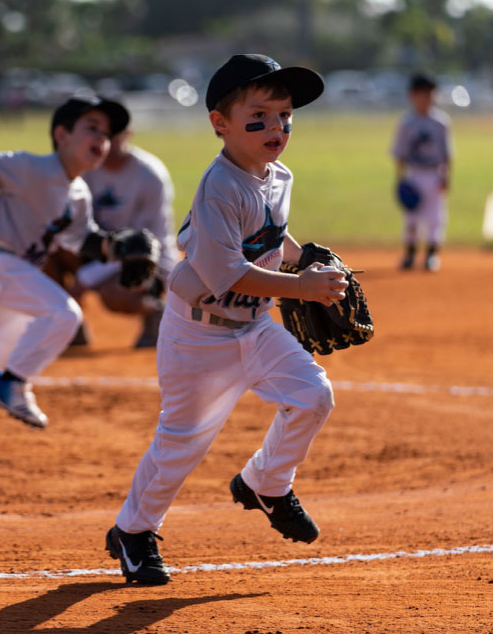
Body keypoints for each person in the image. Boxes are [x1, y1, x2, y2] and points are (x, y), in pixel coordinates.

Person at [105, 54, 347, 585]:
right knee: (182, 441)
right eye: (258, 116)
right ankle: (133, 531)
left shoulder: (277, 175)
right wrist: (302, 287)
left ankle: (266, 482)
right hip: (199, 334)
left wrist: (302, 258)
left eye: (285, 116)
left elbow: (269, 234)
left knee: (313, 395)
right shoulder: (220, 186)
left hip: (256, 327)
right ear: (221, 123)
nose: (277, 127)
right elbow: (229, 275)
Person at [0, 96, 130, 444]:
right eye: (91, 128)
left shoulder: (78, 192)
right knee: (65, 315)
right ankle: (13, 382)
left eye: (107, 133)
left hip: (12, 270)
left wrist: (118, 247)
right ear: (61, 135)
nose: (101, 138)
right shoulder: (35, 168)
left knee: (4, 339)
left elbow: (80, 239)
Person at [43, 110, 177, 348]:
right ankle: (70, 325)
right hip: (102, 251)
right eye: (101, 133)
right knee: (45, 251)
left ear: (128, 135)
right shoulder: (87, 169)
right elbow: (69, 226)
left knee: (115, 294)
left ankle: (156, 310)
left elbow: (144, 247)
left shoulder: (149, 174)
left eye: (114, 134)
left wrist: (84, 279)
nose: (107, 141)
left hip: (147, 261)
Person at [392, 73, 452, 272]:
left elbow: (447, 153)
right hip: (414, 174)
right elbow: (399, 154)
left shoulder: (441, 122)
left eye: (430, 94)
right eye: (422, 94)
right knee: (412, 218)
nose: (426, 98)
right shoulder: (407, 122)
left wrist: (447, 177)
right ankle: (410, 254)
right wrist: (400, 180)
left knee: (435, 217)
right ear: (412, 96)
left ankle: (431, 254)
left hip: (434, 173)